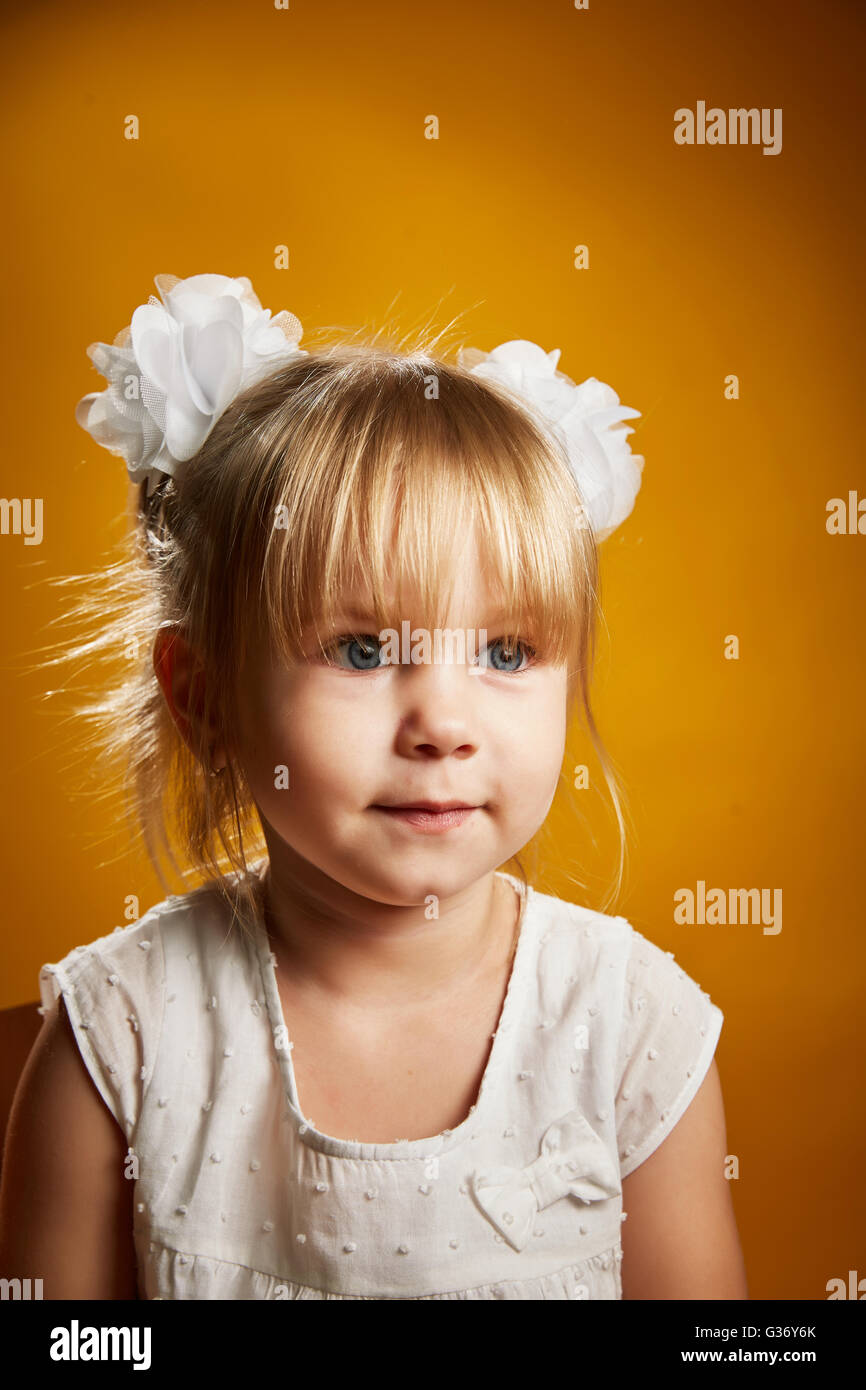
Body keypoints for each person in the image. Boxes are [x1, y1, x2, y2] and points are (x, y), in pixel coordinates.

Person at [0, 273, 748, 1300]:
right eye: (358, 650)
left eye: (504, 648)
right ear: (206, 699)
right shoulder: (120, 1036)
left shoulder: (628, 1031)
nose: (442, 725)